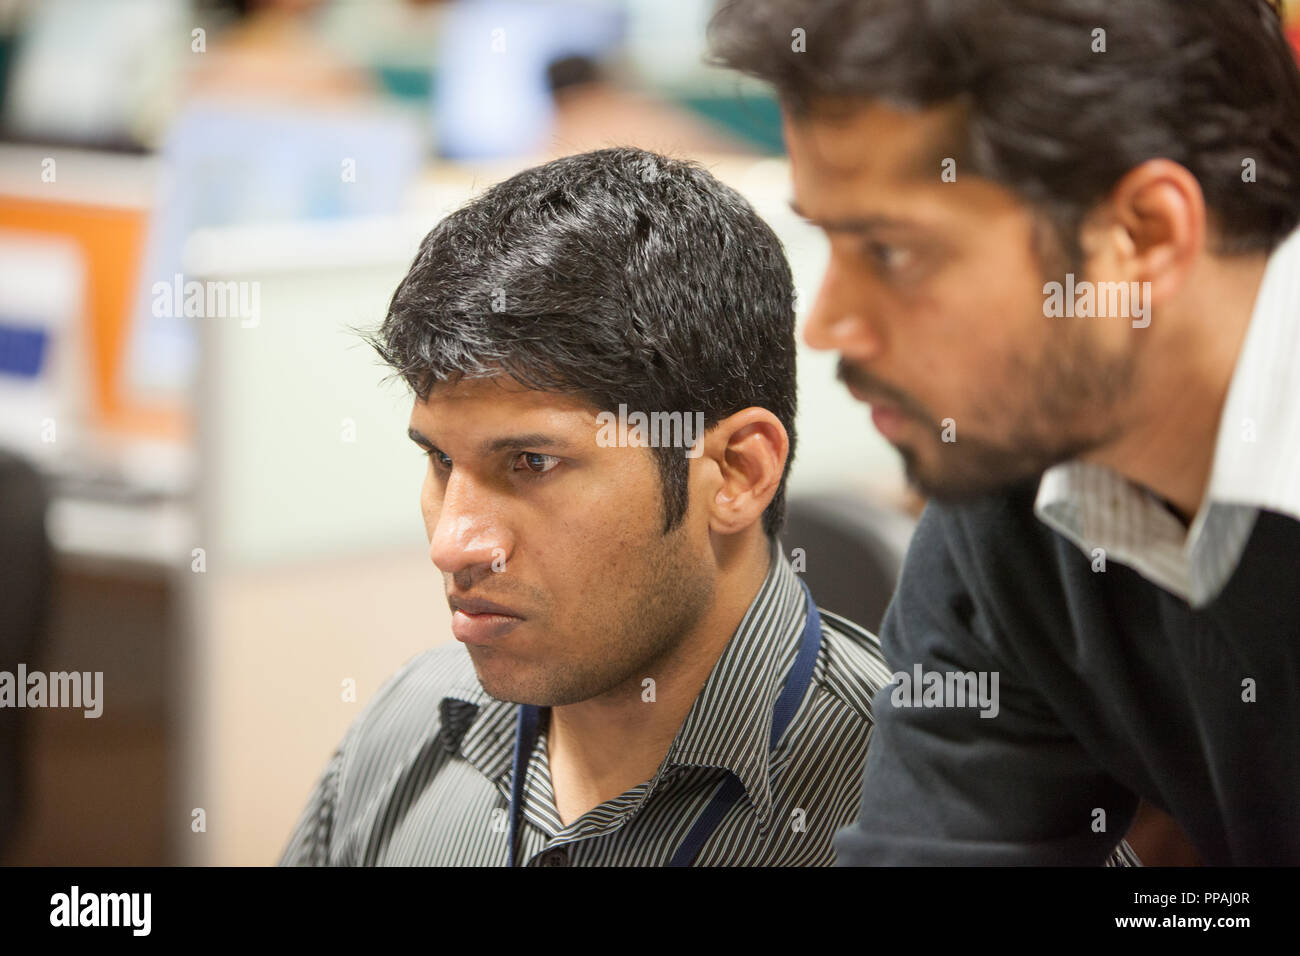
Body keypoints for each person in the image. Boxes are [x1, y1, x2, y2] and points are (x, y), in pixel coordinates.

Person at [710, 0, 1300, 864]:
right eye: (828, 242)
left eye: (892, 252)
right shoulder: (1014, 489)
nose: (828, 325)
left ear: (1142, 235)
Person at [277, 147, 895, 866]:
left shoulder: (909, 798)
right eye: (442, 460)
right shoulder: (412, 725)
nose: (454, 544)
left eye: (533, 463)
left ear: (735, 472)